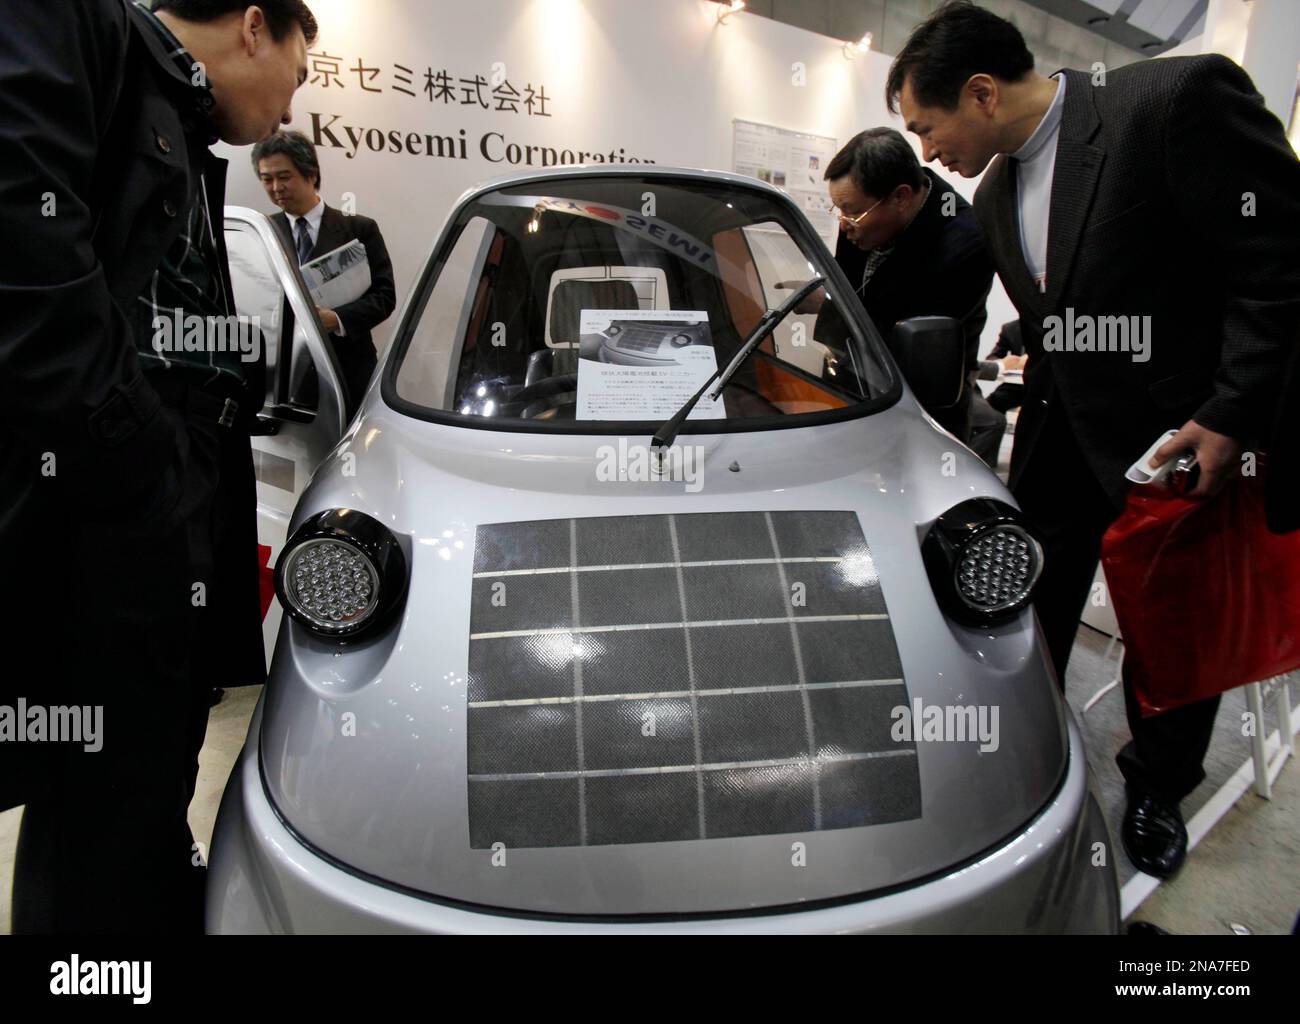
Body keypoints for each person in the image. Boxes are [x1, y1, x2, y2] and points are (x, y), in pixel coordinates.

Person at [886, 0, 1300, 878]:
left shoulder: (1173, 99)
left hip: (1181, 438)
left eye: (927, 127)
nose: (927, 154)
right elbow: (1062, 315)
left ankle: (1156, 786)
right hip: (1062, 437)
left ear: (983, 92)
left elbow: (1279, 266)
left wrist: (1231, 411)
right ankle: (1024, 744)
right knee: (1029, 600)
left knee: (1171, 627)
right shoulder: (996, 190)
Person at [0, 0, 316, 933]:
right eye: (298, 74)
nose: (291, 111)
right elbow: (32, 285)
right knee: (102, 796)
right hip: (106, 514)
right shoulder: (75, 31)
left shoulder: (178, 124)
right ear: (256, 27)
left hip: (159, 514)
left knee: (147, 774)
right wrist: (145, 463)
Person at [822, 128, 1000, 463]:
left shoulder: (966, 242)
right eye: (839, 210)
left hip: (918, 415)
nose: (844, 225)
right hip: (850, 393)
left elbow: (909, 340)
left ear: (901, 197)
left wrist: (832, 309)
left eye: (851, 212)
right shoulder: (862, 219)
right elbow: (846, 289)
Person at [253, 129, 396, 418]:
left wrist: (338, 319)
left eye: (284, 176)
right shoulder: (262, 232)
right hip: (285, 377)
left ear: (312, 175)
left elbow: (384, 297)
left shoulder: (358, 229)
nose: (276, 187)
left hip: (347, 369)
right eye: (267, 179)